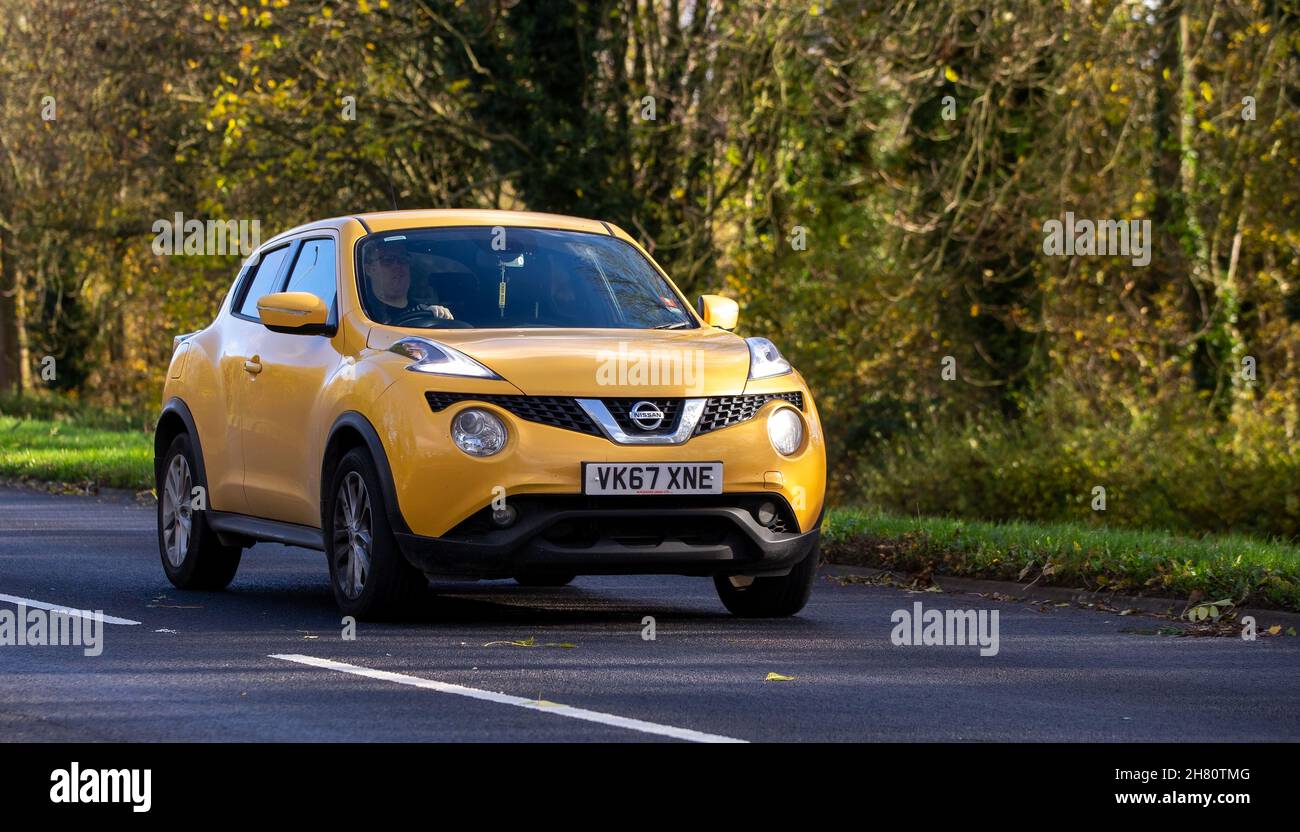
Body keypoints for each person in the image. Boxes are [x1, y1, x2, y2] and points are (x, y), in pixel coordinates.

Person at [362, 238, 454, 324]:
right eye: (388, 260)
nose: (397, 266)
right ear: (369, 269)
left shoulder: (426, 311)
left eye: (403, 259)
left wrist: (441, 315)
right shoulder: (364, 315)